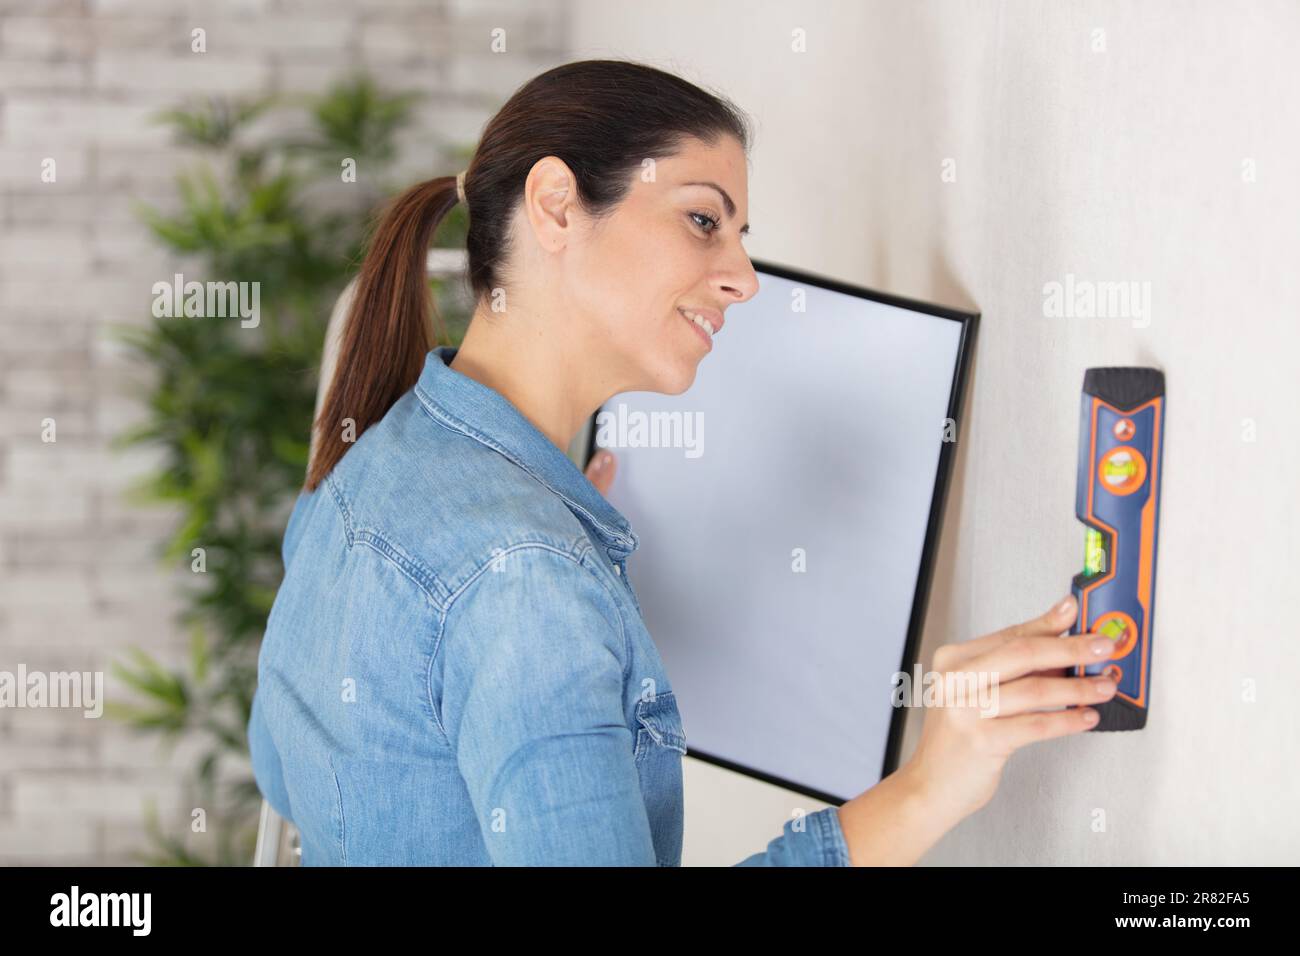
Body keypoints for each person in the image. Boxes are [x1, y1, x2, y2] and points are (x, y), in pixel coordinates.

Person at [247, 58, 1117, 866]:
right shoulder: (522, 576)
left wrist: (544, 563)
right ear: (555, 205)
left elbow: (291, 772)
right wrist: (930, 786)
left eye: (738, 235)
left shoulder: (384, 457)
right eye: (703, 221)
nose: (743, 278)